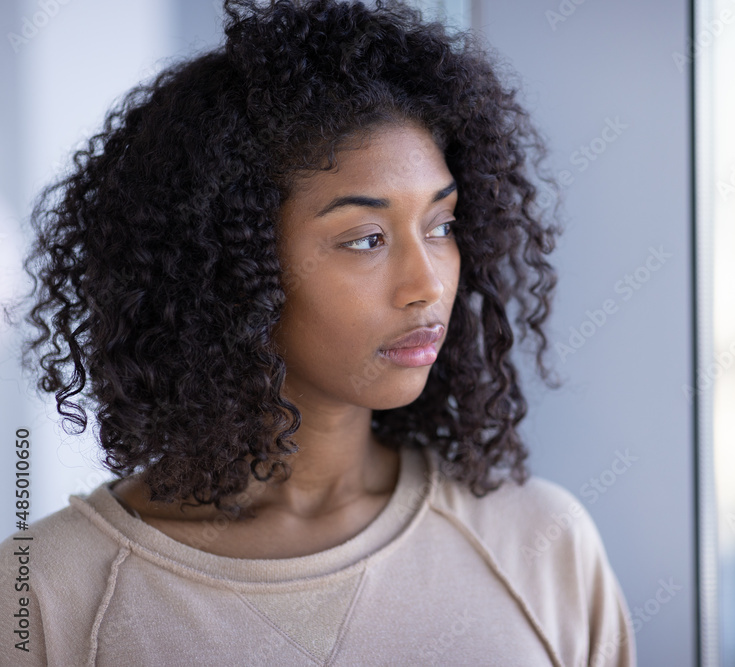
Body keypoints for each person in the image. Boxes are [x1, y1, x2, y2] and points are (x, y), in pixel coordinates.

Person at [0, 0, 637, 664]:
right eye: (366, 239)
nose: (427, 283)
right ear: (230, 265)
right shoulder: (45, 593)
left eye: (441, 225)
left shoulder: (540, 544)